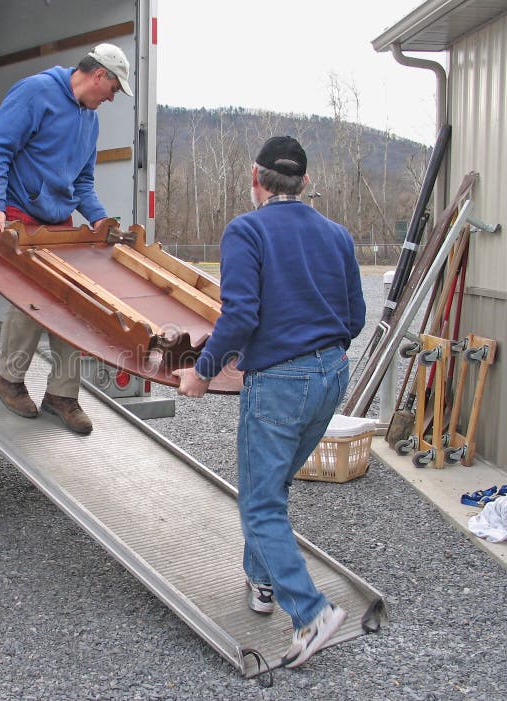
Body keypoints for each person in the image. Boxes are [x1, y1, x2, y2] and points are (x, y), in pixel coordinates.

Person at [174, 136, 366, 669]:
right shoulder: (337, 234)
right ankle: (262, 581)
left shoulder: (246, 230)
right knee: (272, 484)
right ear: (304, 183)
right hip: (332, 374)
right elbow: (355, 320)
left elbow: (239, 318)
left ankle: (310, 611)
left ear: (254, 178)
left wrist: (202, 372)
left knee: (259, 503)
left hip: (281, 382)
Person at [0, 43, 133, 434]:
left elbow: (82, 181)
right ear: (99, 75)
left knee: (75, 301)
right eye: (114, 88)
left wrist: (100, 220)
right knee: (31, 298)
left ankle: (62, 395)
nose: (113, 97)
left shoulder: (90, 120)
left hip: (58, 219)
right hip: (17, 211)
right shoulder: (35, 92)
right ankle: (7, 380)